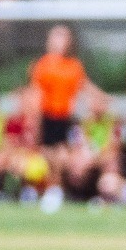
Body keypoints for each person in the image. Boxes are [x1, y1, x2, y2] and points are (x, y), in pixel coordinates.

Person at [28, 24, 88, 153]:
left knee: (65, 152)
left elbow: (84, 87)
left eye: (65, 37)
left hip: (66, 118)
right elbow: (36, 94)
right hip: (48, 117)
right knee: (47, 152)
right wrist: (35, 123)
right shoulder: (43, 65)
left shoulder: (74, 65)